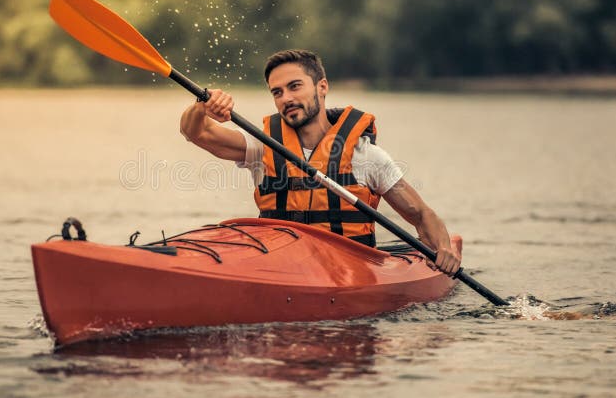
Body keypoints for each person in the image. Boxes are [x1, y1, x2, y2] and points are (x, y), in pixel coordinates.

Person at [180, 49, 461, 275]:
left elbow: (421, 215)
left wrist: (444, 249)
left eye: (295, 87)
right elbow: (197, 132)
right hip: (278, 266)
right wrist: (201, 106)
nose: (286, 98)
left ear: (322, 86)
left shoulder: (366, 156)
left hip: (348, 272)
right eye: (277, 92)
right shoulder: (262, 145)